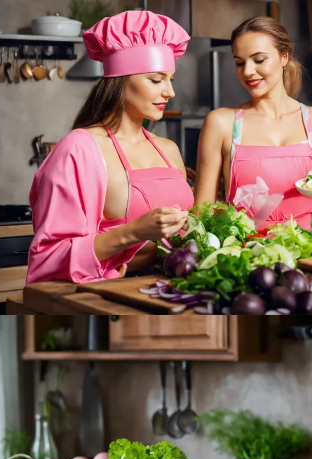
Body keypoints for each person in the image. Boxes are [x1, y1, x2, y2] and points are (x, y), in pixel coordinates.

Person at [26, 10, 194, 284]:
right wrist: (134, 232)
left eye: (170, 79)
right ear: (121, 80)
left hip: (173, 287)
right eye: (156, 79)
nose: (169, 92)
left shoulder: (168, 149)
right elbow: (48, 259)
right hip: (113, 293)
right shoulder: (79, 149)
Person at [193, 16, 312, 229]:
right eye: (239, 62)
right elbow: (202, 213)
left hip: (310, 256)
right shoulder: (222, 123)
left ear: (284, 57)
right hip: (246, 256)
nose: (247, 71)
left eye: (259, 60)